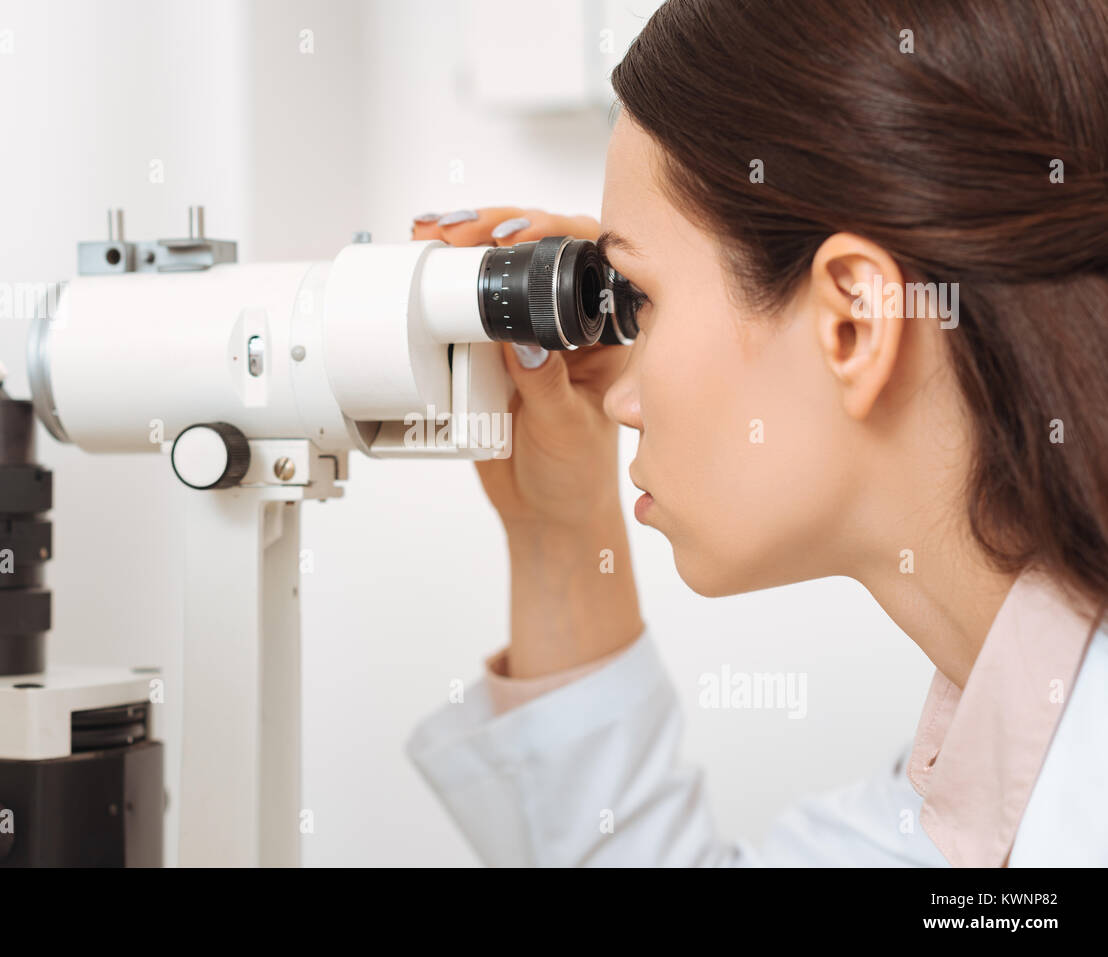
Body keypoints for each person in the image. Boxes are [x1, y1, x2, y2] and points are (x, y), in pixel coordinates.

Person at [405, 0, 1108, 866]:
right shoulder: (986, 779)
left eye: (640, 299)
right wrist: (561, 523)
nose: (619, 396)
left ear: (855, 321)